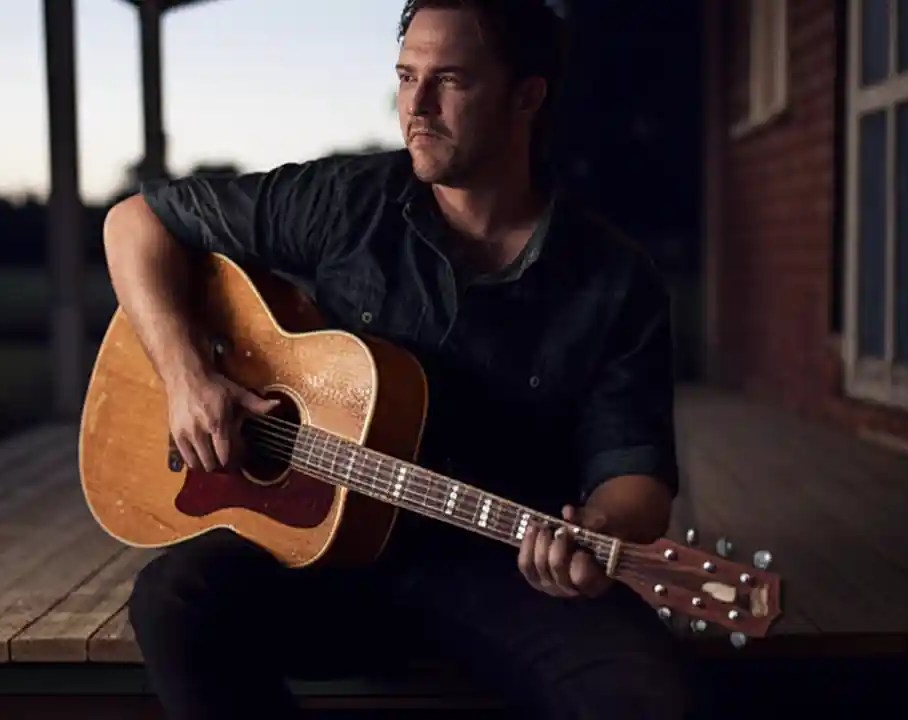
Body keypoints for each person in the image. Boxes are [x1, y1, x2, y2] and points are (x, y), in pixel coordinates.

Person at [102, 1, 689, 717]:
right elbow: (136, 223)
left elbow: (635, 477)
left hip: (503, 569)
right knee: (175, 597)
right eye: (406, 76)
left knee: (643, 697)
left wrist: (598, 535)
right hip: (321, 559)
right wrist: (188, 375)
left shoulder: (614, 279)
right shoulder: (348, 202)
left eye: (450, 81)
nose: (415, 106)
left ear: (527, 96)